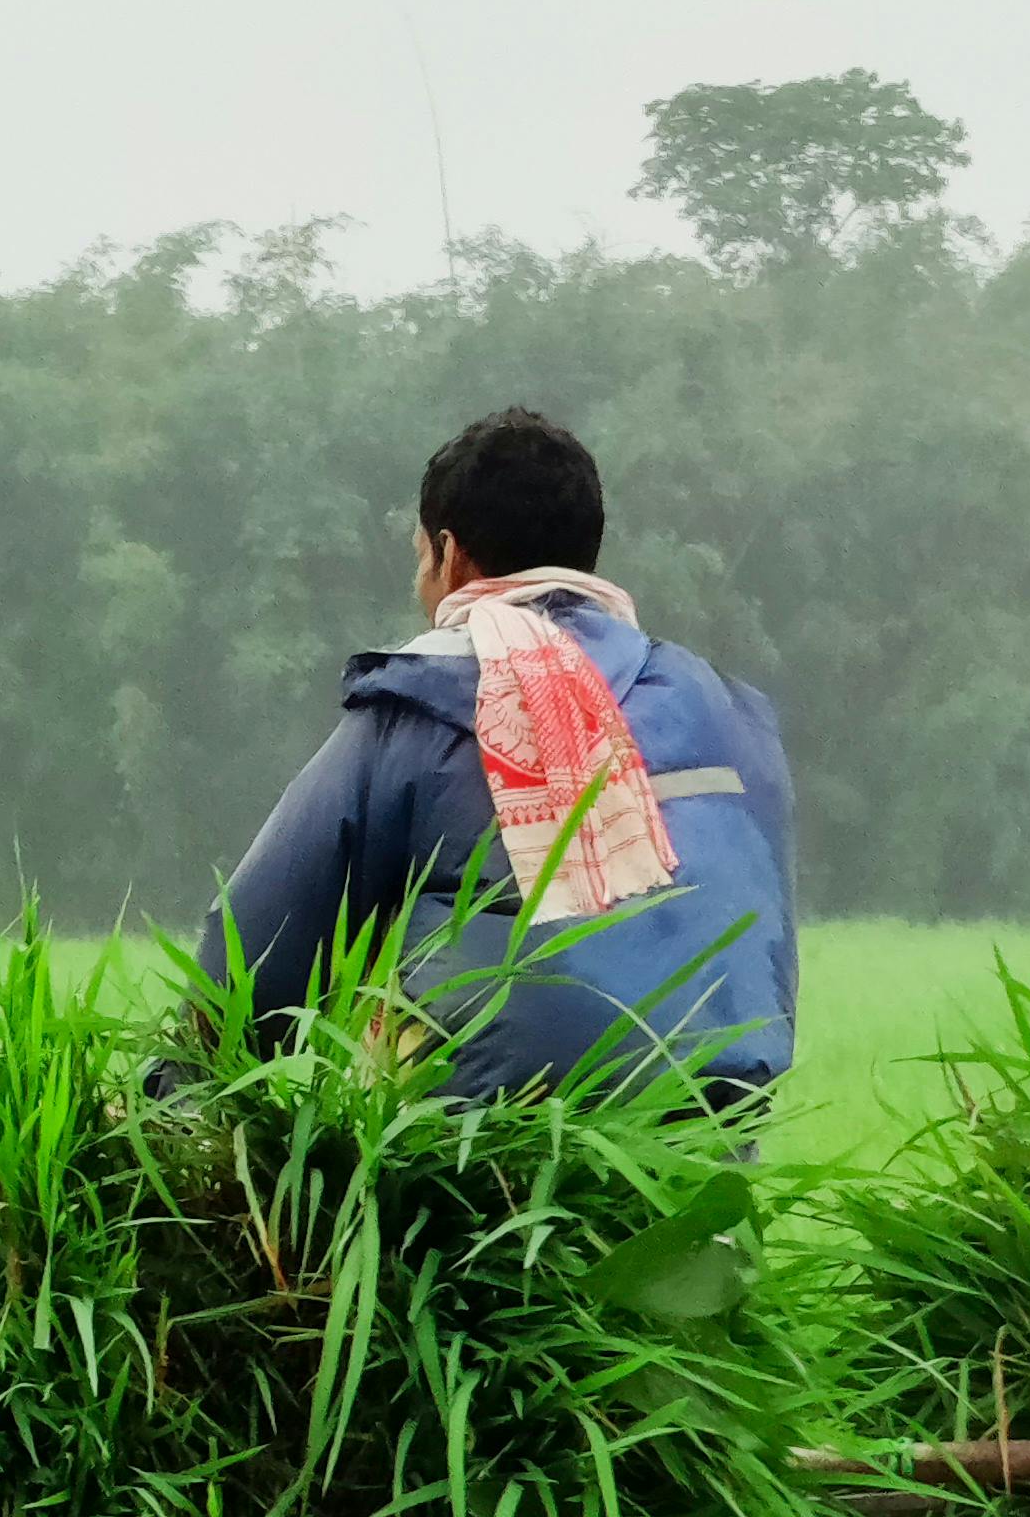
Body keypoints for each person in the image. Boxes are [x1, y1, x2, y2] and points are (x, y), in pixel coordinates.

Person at [203, 408, 797, 1112]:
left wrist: (174, 1102)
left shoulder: (425, 701)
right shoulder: (726, 708)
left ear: (447, 555)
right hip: (709, 1143)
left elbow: (252, 962)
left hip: (491, 1161)